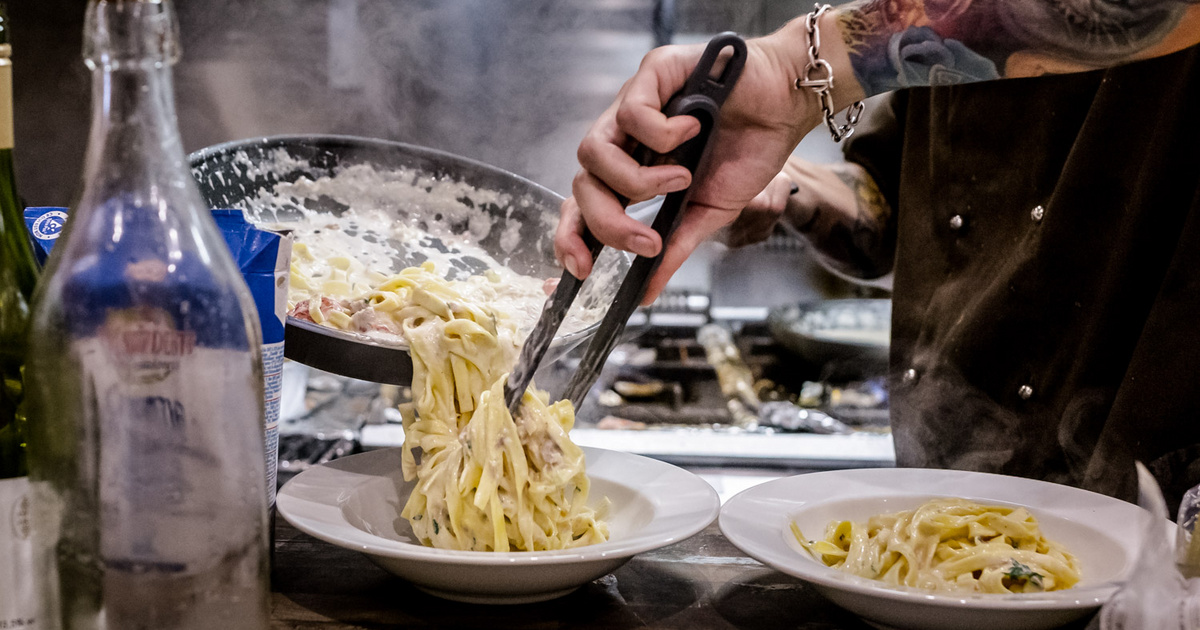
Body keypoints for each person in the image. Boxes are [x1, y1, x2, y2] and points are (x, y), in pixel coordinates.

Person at [554, 0, 1200, 510]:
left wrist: (796, 68)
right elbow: (887, 211)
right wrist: (787, 190)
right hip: (946, 492)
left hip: (1148, 523)